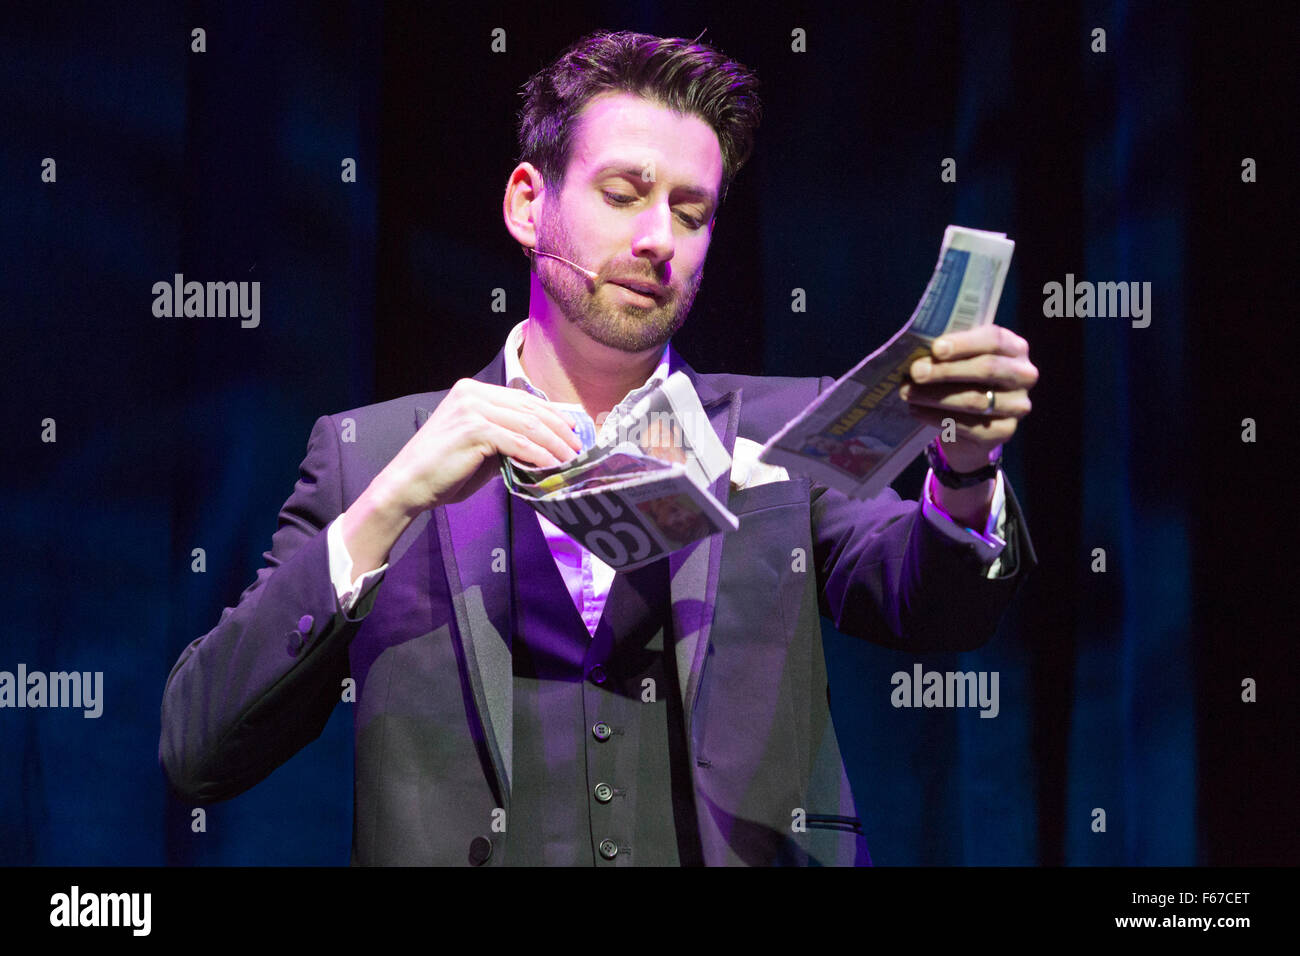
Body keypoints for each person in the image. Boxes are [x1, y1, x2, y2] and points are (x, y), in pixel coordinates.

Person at [159, 30, 1039, 866]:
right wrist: (384, 512)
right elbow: (200, 749)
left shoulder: (775, 434)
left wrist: (965, 475)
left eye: (690, 213)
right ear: (526, 203)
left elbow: (935, 607)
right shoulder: (373, 454)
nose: (658, 239)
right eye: (623, 195)